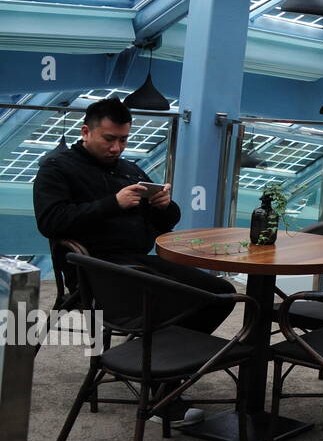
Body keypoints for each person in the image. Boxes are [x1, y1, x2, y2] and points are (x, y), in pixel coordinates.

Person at [33, 96, 236, 337]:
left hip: (138, 262)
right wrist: (113, 203)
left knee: (221, 293)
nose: (116, 148)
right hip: (92, 272)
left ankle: (160, 357)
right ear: (86, 132)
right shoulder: (56, 168)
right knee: (179, 298)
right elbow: (50, 221)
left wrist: (164, 206)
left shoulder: (129, 170)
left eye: (123, 139)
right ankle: (154, 357)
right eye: (109, 139)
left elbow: (165, 223)